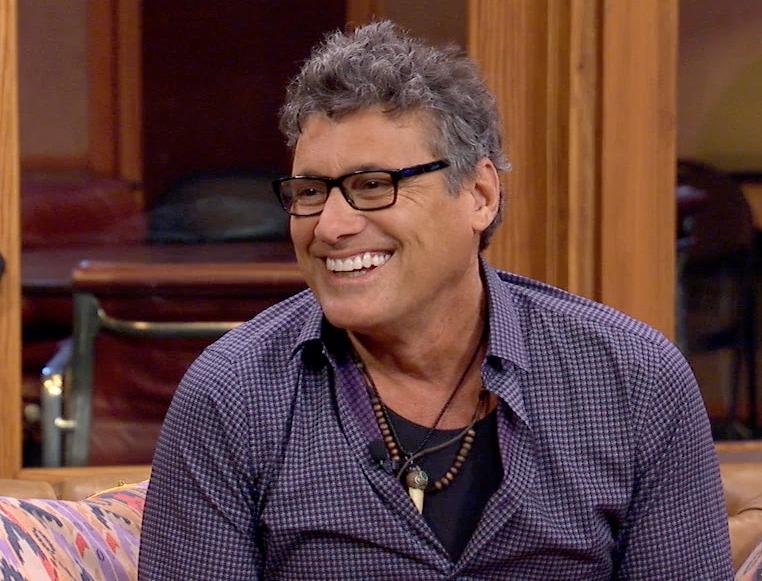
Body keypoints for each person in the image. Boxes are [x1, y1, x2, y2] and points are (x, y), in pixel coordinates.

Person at [139, 21, 733, 580]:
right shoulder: (232, 397)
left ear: (479, 195)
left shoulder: (633, 380)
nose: (331, 226)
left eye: (374, 185)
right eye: (311, 191)